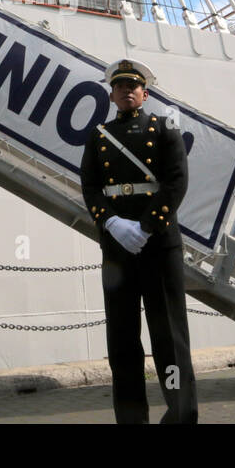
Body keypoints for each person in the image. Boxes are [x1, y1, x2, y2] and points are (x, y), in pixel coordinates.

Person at [80, 58, 199, 424]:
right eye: (120, 86)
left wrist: (146, 227)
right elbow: (90, 185)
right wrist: (112, 223)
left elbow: (176, 182)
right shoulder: (99, 136)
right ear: (112, 95)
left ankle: (180, 416)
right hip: (118, 249)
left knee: (169, 339)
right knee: (122, 341)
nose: (127, 90)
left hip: (159, 245)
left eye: (134, 85)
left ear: (144, 93)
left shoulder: (164, 130)